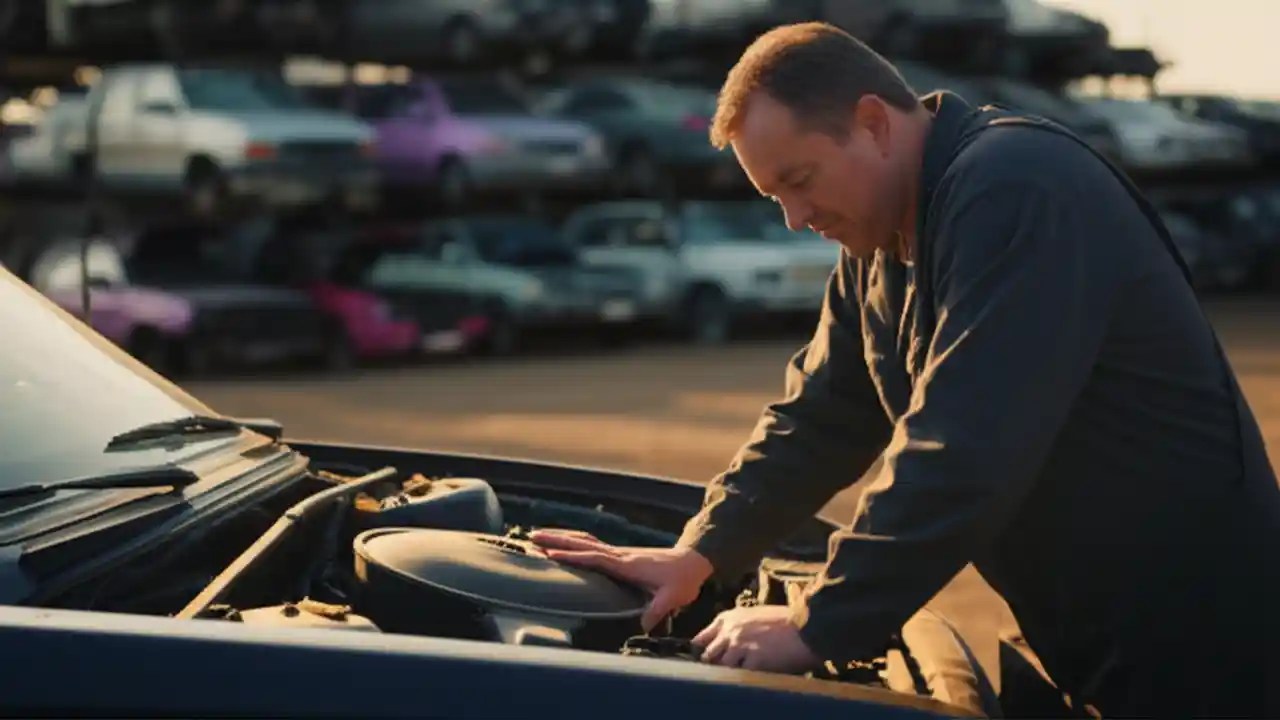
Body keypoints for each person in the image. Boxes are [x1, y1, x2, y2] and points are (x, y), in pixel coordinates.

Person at [532, 21, 1280, 718]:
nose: (794, 218)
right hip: (1101, 644)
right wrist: (700, 553)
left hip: (1209, 649)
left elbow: (968, 439)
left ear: (873, 123)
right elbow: (820, 416)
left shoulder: (1016, 186)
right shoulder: (881, 246)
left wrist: (819, 622)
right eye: (773, 196)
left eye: (799, 180)